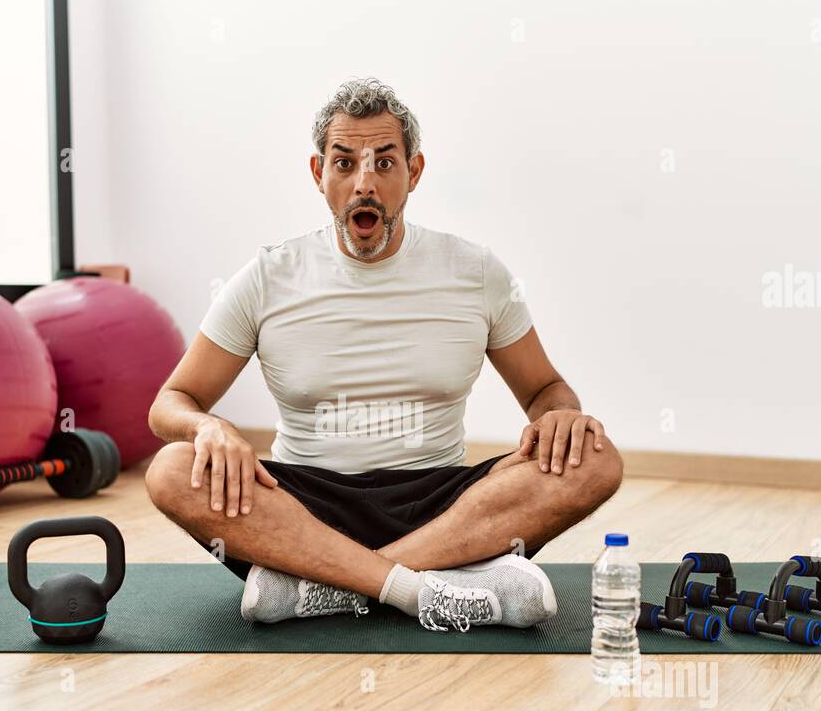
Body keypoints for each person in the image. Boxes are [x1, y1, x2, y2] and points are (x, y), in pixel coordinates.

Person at [146, 78, 622, 632]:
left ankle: (323, 586)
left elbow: (545, 390)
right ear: (318, 173)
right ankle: (429, 587)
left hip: (444, 503)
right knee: (173, 470)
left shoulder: (477, 272)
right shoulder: (267, 277)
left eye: (384, 163)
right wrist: (207, 428)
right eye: (344, 164)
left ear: (413, 173)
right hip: (302, 504)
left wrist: (558, 415)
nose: (363, 184)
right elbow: (171, 402)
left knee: (596, 456)